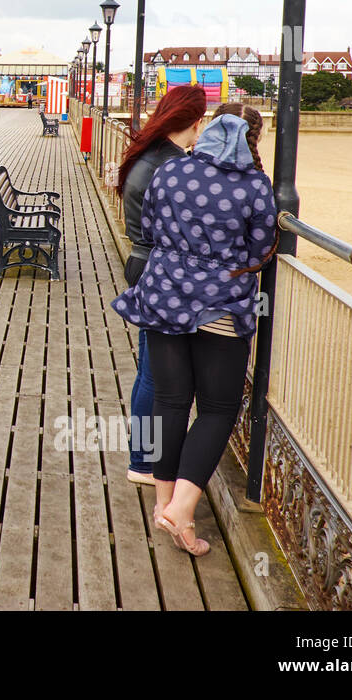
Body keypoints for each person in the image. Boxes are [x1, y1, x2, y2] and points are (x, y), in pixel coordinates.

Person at [111, 106, 277, 556]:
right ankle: (181, 509)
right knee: (218, 409)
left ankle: (167, 506)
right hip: (219, 306)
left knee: (169, 401)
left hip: (163, 294)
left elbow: (149, 229)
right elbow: (262, 248)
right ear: (251, 140)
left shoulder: (171, 171)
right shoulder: (255, 185)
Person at [114, 84, 207, 486]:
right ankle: (144, 462)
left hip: (141, 261)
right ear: (194, 121)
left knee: (149, 370)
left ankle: (143, 458)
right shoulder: (171, 165)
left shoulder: (147, 155)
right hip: (158, 269)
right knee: (157, 375)